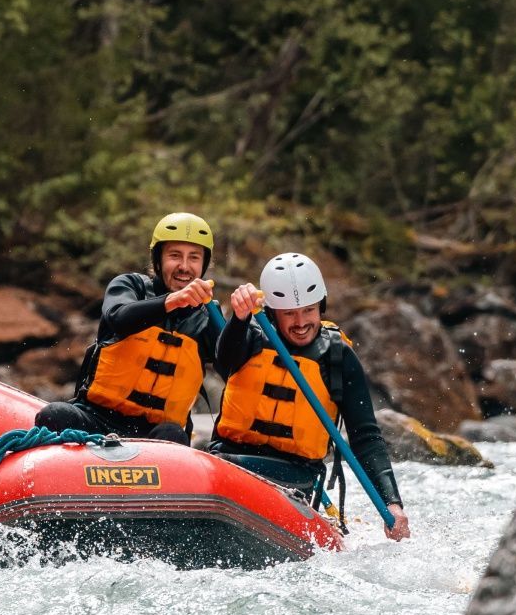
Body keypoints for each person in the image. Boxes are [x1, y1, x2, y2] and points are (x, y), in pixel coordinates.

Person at [212, 252, 411, 540]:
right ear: (272, 313)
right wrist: (239, 319)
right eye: (289, 314)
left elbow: (366, 437)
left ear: (321, 306)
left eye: (309, 310)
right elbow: (224, 360)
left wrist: (392, 503)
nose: (301, 322)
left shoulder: (337, 357)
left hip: (294, 479)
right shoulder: (250, 337)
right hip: (229, 463)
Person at [34, 212, 221, 444]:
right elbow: (118, 318)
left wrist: (242, 320)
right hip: (96, 418)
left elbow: (233, 363)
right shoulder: (130, 286)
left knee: (173, 435)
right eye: (174, 255)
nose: (184, 266)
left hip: (154, 435)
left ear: (203, 264)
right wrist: (172, 301)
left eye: (194, 257)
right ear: (158, 260)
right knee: (55, 414)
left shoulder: (207, 316)